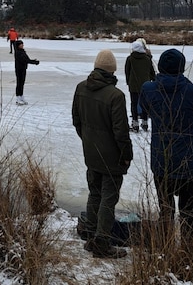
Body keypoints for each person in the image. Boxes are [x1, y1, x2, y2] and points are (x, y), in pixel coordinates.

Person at [138, 48, 193, 248]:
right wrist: (185, 83)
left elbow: (142, 110)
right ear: (182, 68)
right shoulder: (192, 90)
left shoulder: (149, 88)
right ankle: (189, 250)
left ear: (160, 67)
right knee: (187, 212)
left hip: (161, 161)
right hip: (187, 163)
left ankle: (165, 247)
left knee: (166, 210)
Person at [72, 49, 133, 259]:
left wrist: (88, 141)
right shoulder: (116, 96)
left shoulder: (81, 88)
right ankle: (101, 242)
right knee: (108, 197)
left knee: (95, 193)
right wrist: (127, 155)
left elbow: (77, 121)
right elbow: (121, 132)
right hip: (112, 157)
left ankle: (91, 233)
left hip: (91, 153)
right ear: (112, 70)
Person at [125, 39, 155, 132]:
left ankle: (135, 124)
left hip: (133, 86)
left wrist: (128, 82)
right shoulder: (147, 59)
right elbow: (152, 72)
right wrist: (153, 82)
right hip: (146, 86)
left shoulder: (130, 59)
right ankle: (145, 123)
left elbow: (127, 72)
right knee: (145, 104)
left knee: (134, 104)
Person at [13, 40, 39, 105]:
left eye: (22, 44)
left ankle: (21, 96)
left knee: (22, 83)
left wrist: (33, 61)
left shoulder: (23, 51)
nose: (22, 45)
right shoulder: (18, 52)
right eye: (21, 44)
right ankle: (18, 97)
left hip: (23, 69)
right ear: (18, 45)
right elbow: (24, 60)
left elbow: (27, 59)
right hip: (19, 69)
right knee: (19, 83)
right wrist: (34, 62)